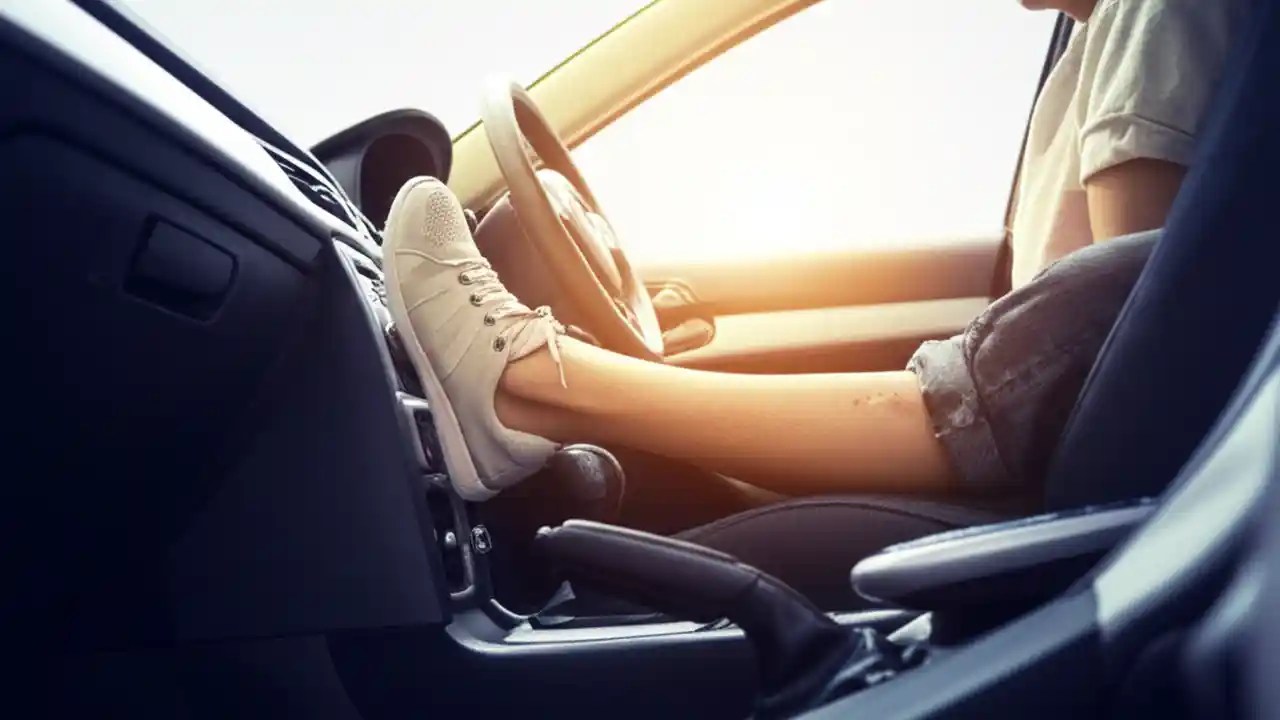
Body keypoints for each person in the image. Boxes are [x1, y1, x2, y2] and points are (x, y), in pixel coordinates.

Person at [383, 0, 1243, 606]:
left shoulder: (1158, 12)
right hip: (1050, 446)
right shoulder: (1088, 49)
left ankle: (538, 384)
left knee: (989, 388)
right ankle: (542, 387)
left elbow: (1143, 341)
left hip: (1078, 478)